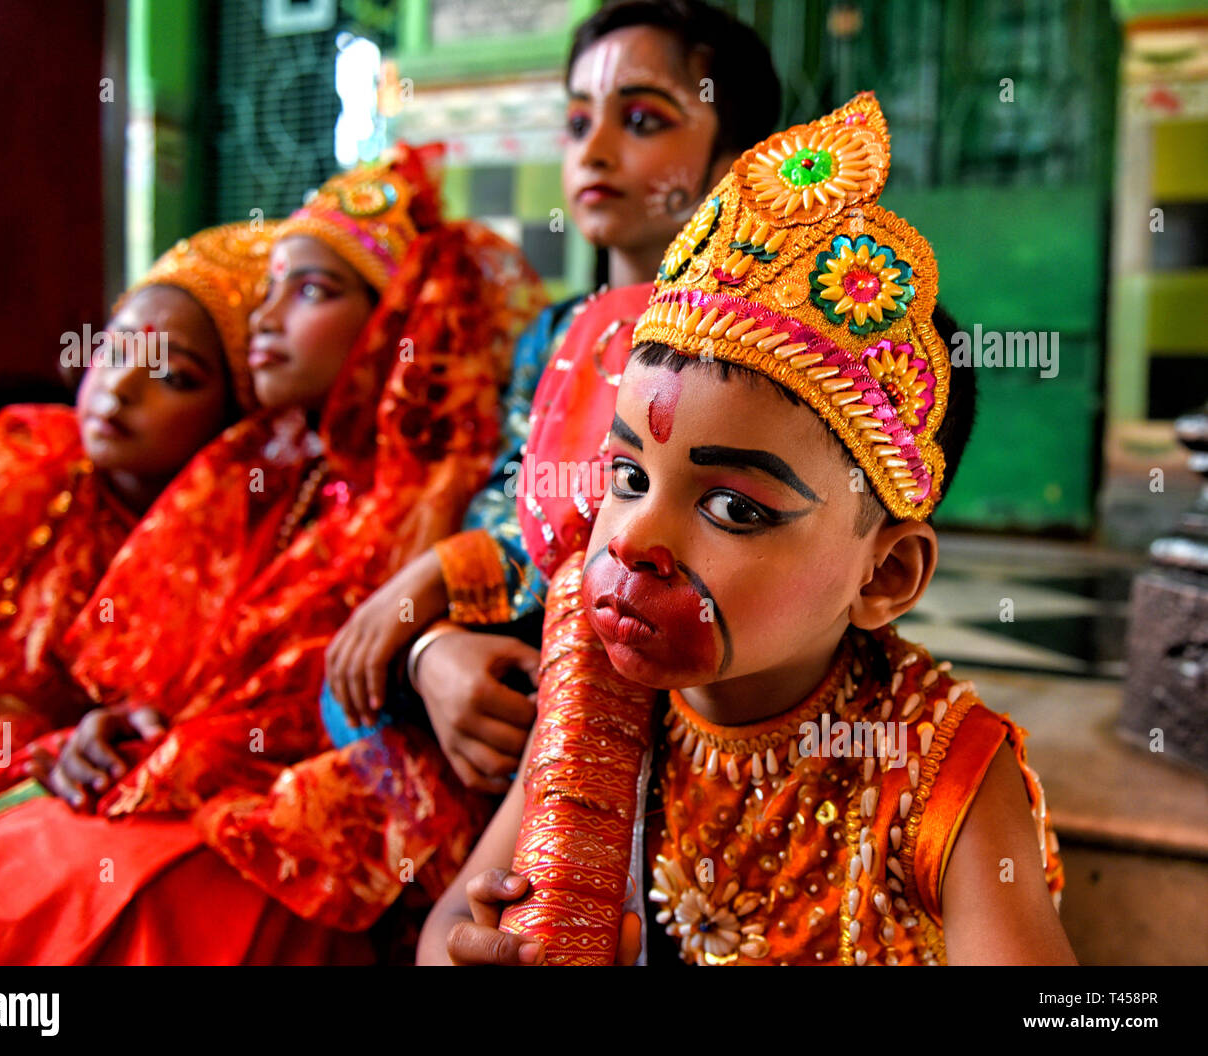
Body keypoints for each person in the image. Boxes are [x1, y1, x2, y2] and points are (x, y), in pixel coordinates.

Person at [420, 93, 1074, 966]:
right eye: (627, 477)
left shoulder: (936, 767)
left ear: (884, 577)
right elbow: (442, 934)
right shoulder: (602, 702)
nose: (630, 541)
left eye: (734, 507)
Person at [0, 144, 547, 964]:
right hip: (197, 789)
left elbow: (366, 717)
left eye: (312, 290)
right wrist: (118, 729)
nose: (268, 318)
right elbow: (169, 682)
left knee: (81, 889)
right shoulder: (260, 466)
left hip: (328, 820)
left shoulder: (442, 482)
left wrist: (419, 642)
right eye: (270, 288)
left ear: (403, 319)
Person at [325, 0, 782, 796]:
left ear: (733, 162)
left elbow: (607, 523)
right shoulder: (553, 330)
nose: (596, 149)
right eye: (577, 123)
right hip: (513, 628)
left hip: (643, 656)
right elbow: (515, 493)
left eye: (642, 121)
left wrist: (433, 584)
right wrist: (433, 646)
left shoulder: (745, 346)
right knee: (351, 683)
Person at [0, 221, 272, 850]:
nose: (121, 388)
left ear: (235, 417)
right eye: (114, 349)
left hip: (47, 823)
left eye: (174, 377)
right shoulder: (7, 483)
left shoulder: (239, 556)